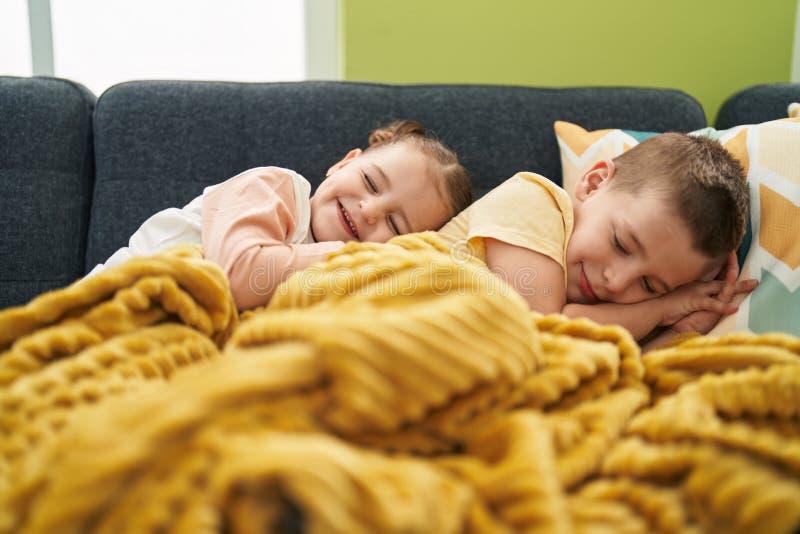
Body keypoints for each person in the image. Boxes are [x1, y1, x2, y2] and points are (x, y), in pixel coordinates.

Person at [87, 120, 473, 310]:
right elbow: (237, 274)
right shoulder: (277, 189)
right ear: (342, 165)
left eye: (394, 224)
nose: (369, 210)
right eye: (371, 183)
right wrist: (371, 256)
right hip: (111, 304)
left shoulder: (350, 282)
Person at [437, 132, 756, 344]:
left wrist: (677, 331)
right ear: (593, 183)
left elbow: (608, 375)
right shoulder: (534, 200)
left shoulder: (610, 319)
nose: (616, 283)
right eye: (622, 243)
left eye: (649, 286)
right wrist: (662, 308)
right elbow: (543, 335)